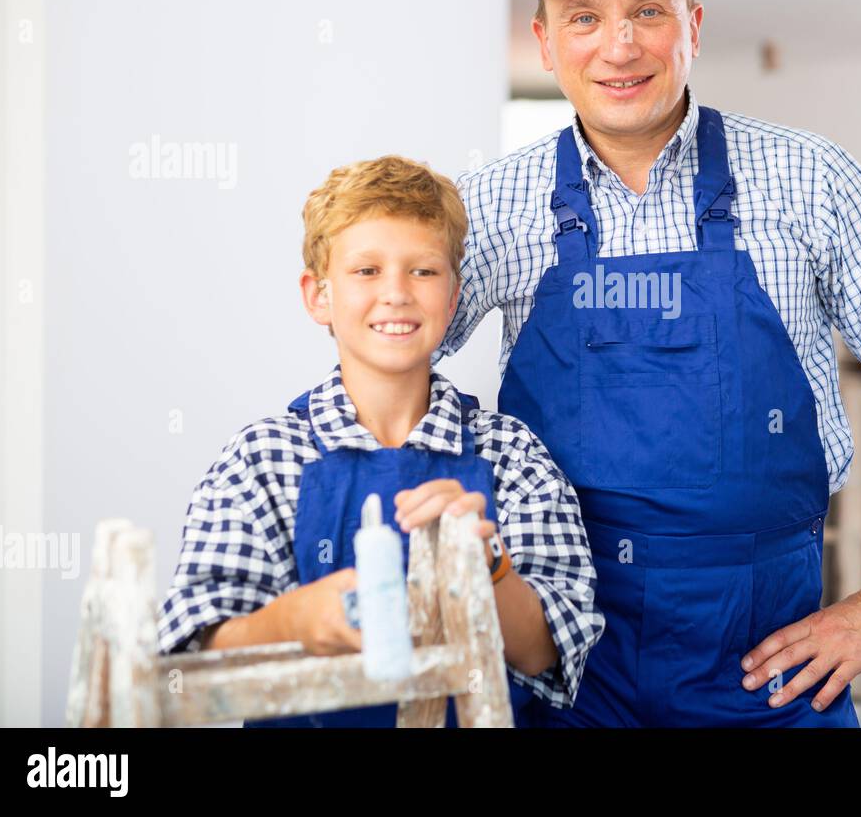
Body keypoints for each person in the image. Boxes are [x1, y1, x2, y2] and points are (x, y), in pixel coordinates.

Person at [436, 0, 861, 727]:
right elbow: (393, 361)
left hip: (772, 653)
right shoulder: (488, 206)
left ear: (691, 25)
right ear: (547, 42)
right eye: (585, 17)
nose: (620, 45)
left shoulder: (808, 178)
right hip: (564, 652)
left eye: (647, 12)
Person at [157, 155, 604, 726]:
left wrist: (489, 568)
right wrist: (292, 623)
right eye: (366, 271)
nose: (395, 293)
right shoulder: (262, 460)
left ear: (452, 297)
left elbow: (548, 649)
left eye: (422, 271)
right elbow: (193, 655)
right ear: (318, 295)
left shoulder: (512, 455)